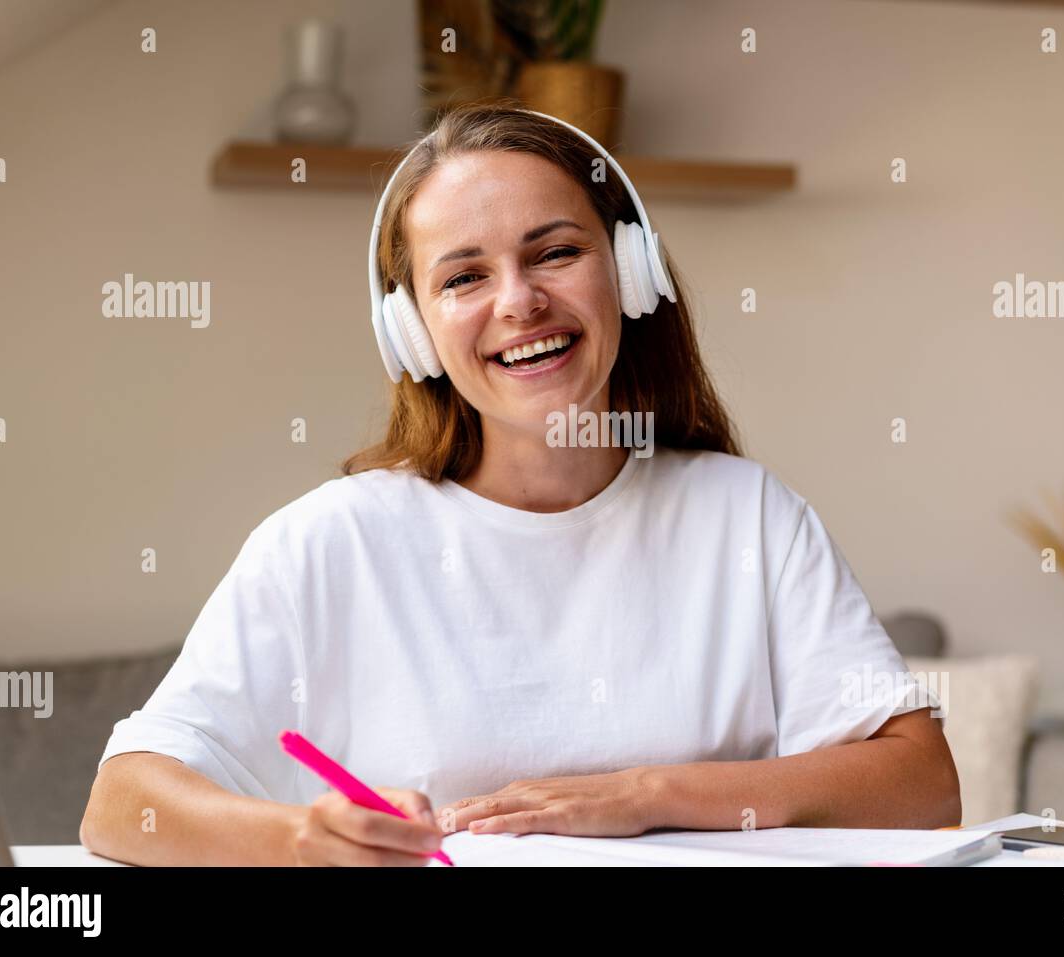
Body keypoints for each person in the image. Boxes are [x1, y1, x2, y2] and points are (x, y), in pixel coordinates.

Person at [80, 103, 960, 867]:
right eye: (464, 276)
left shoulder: (749, 516)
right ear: (413, 333)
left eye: (555, 252)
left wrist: (646, 793)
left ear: (630, 269)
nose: (519, 301)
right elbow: (123, 803)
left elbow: (920, 782)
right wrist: (301, 840)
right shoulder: (328, 543)